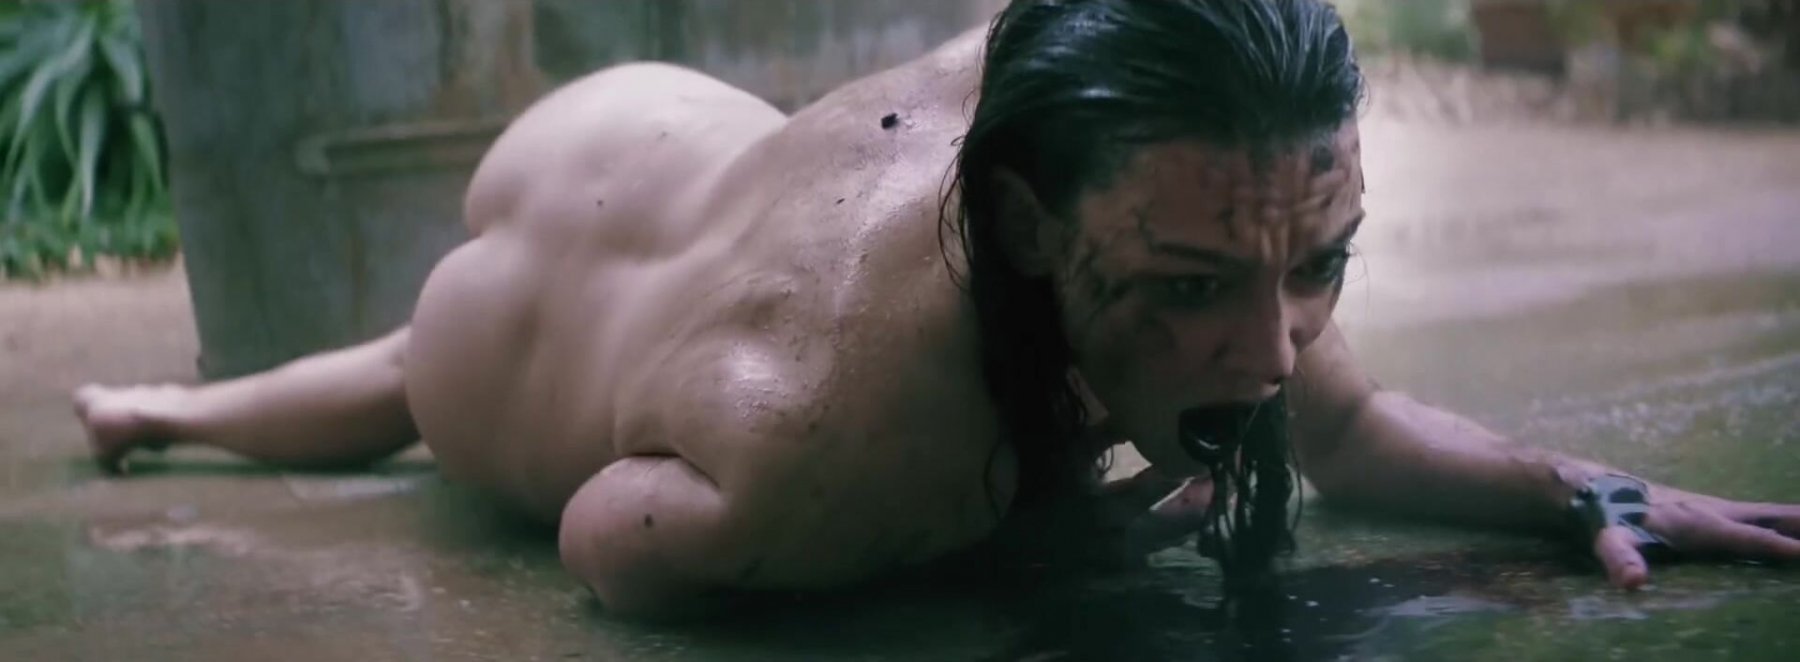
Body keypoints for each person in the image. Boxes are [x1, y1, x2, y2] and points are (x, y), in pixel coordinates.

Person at [74, 0, 1799, 619]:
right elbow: (611, 539)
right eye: (1197, 291)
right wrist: (1026, 532)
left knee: (377, 367)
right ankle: (184, 410)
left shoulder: (1165, 154)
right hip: (523, 329)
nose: (1274, 348)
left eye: (1318, 263)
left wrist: (1573, 487)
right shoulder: (826, 439)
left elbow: (1339, 426)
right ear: (1033, 227)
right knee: (419, 373)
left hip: (669, 143)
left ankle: (154, 411)